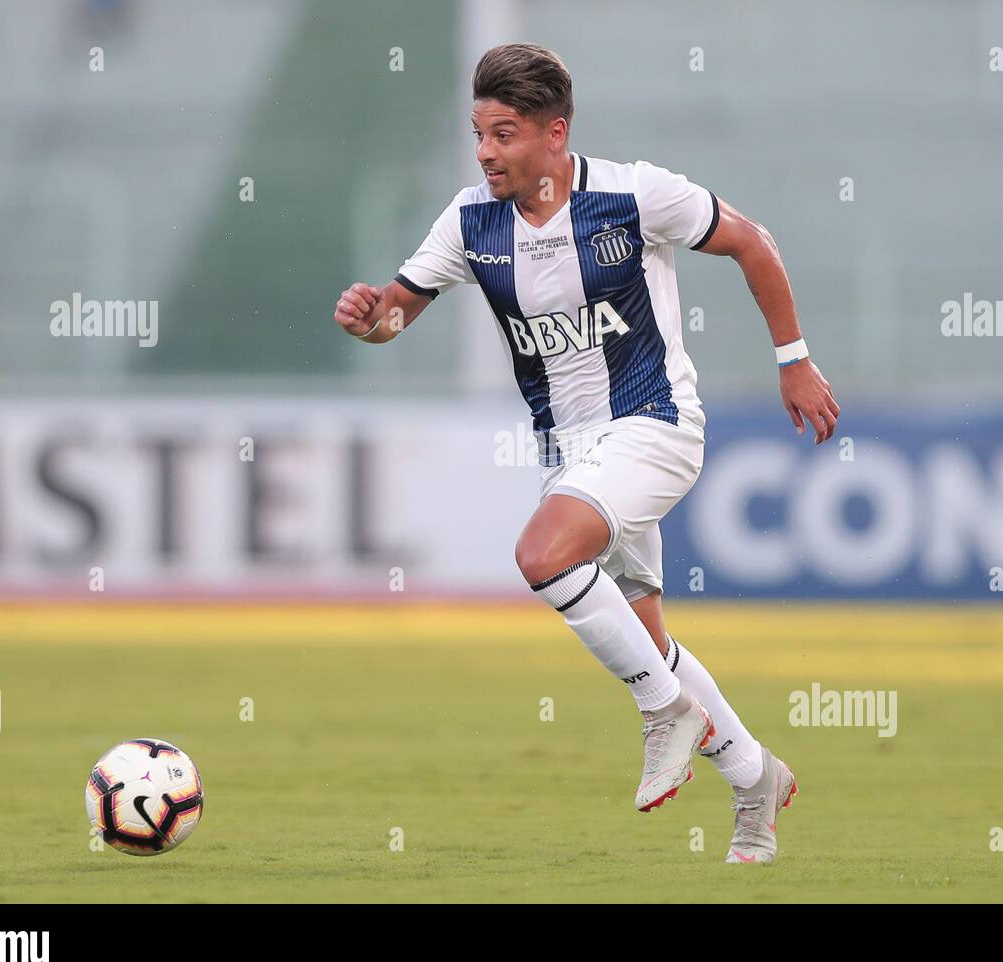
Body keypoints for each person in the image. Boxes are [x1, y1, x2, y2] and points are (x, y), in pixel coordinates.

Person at [334, 43, 839, 863]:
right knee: (651, 641)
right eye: (478, 134)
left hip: (655, 426)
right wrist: (371, 316)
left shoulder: (634, 194)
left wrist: (794, 360)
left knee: (541, 554)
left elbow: (753, 241)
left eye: (503, 134)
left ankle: (665, 713)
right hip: (572, 456)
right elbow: (399, 312)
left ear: (553, 133)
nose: (486, 152)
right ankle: (756, 780)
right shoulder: (471, 221)